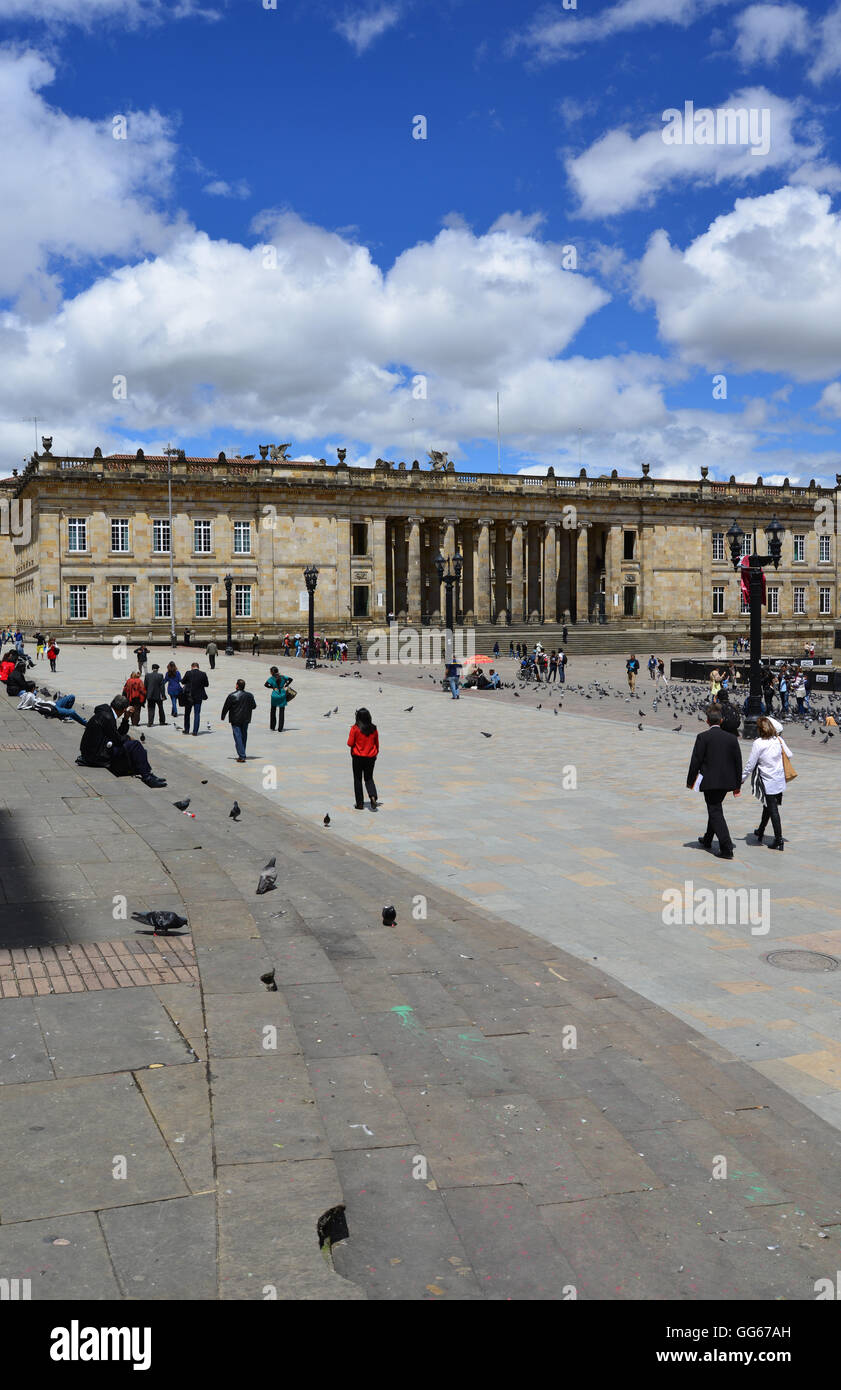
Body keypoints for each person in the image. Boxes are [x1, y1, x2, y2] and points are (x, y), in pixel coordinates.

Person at [686, 704, 742, 859]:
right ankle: (708, 838)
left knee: (715, 811)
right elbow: (738, 762)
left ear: (707, 721)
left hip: (710, 782)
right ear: (722, 720)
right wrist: (737, 784)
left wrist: (691, 781)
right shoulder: (731, 738)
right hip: (727, 782)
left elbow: (695, 761)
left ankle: (726, 847)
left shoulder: (703, 737)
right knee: (715, 808)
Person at [77, 695, 166, 787]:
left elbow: (116, 735)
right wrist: (128, 737)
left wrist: (126, 719)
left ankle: (146, 772)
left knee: (132, 746)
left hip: (92, 752)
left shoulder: (105, 713)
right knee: (135, 745)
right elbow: (118, 740)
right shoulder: (107, 717)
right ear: (124, 709)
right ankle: (147, 777)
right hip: (96, 756)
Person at [742, 715, 792, 851]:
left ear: (760, 729)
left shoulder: (758, 743)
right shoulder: (777, 740)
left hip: (768, 780)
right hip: (779, 779)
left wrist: (742, 778)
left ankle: (778, 839)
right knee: (768, 806)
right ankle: (761, 830)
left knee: (773, 809)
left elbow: (750, 764)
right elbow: (790, 754)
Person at [348, 707, 379, 810]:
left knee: (358, 779)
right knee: (369, 778)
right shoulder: (374, 728)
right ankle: (373, 796)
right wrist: (375, 753)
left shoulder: (355, 728)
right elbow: (376, 743)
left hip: (358, 757)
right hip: (371, 757)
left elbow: (350, 743)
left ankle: (360, 804)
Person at [220, 678, 257, 762]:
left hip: (235, 719)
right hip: (246, 718)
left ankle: (242, 755)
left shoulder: (232, 695)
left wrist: (223, 716)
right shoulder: (250, 695)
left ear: (237, 685)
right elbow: (254, 706)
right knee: (244, 736)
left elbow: (226, 707)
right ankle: (242, 752)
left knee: (238, 736)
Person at [181, 661, 209, 736]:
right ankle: (195, 732)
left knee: (187, 713)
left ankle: (187, 730)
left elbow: (183, 682)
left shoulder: (188, 673)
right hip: (199, 696)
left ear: (192, 667)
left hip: (189, 696)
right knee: (197, 714)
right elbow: (206, 684)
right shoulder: (203, 674)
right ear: (198, 667)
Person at [265, 666, 293, 731]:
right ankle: (280, 728)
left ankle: (272, 726)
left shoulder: (271, 678)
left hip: (275, 694)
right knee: (282, 711)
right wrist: (285, 685)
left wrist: (272, 687)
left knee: (273, 711)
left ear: (272, 672)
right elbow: (290, 679)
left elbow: (266, 684)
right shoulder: (283, 677)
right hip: (282, 694)